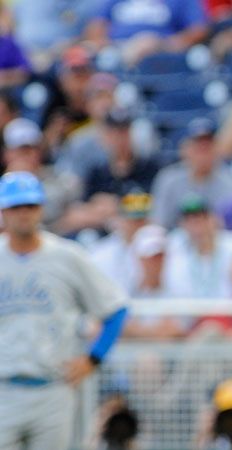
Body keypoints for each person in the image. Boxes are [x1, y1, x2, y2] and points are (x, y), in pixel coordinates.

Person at [0, 171, 128, 450]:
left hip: (53, 388)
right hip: (4, 389)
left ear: (41, 209)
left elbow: (115, 309)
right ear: (3, 212)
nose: (23, 214)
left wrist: (93, 358)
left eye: (30, 206)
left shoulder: (66, 256)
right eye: (16, 207)